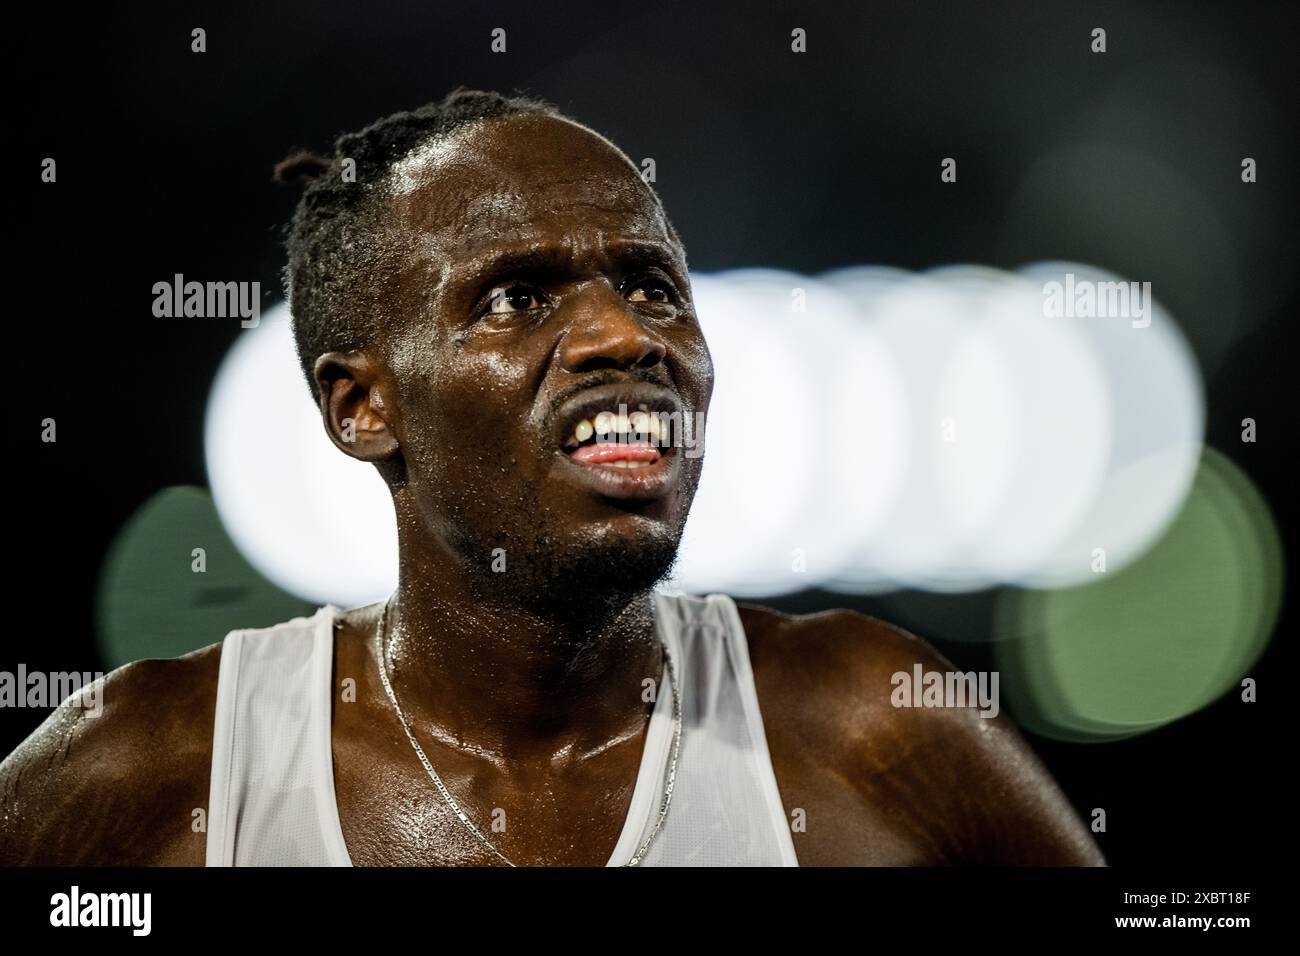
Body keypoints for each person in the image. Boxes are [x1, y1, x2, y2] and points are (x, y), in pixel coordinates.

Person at [0, 89, 1102, 866]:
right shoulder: (156, 766)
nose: (625, 334)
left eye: (653, 286)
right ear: (360, 407)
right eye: (518, 297)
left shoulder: (872, 726)